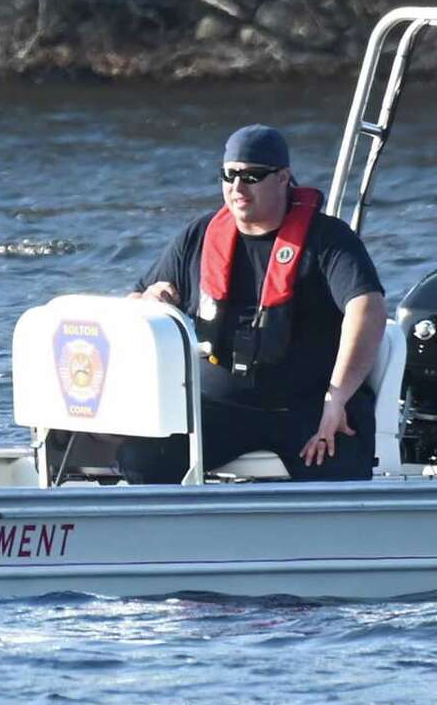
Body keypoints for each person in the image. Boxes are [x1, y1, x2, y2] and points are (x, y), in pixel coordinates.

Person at [119, 124, 386, 483]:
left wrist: (336, 399)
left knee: (337, 468)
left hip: (310, 406)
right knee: (140, 460)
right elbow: (135, 301)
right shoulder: (198, 236)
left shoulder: (329, 239)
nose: (238, 187)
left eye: (252, 176)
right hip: (220, 407)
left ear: (283, 178)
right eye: (229, 175)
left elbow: (367, 309)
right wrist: (150, 302)